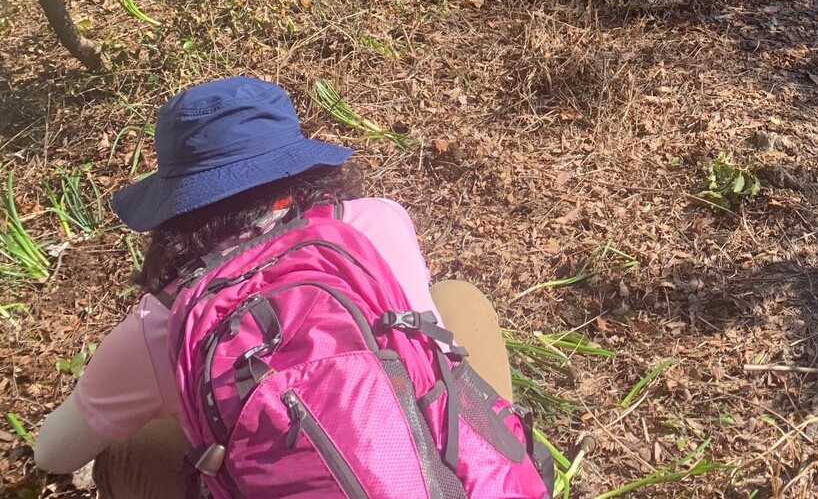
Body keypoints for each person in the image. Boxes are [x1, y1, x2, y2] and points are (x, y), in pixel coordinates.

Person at [31, 76, 532, 497]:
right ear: (301, 162)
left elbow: (54, 453)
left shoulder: (164, 322)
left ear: (177, 204)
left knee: (128, 452)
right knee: (459, 300)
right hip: (453, 480)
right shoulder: (376, 220)